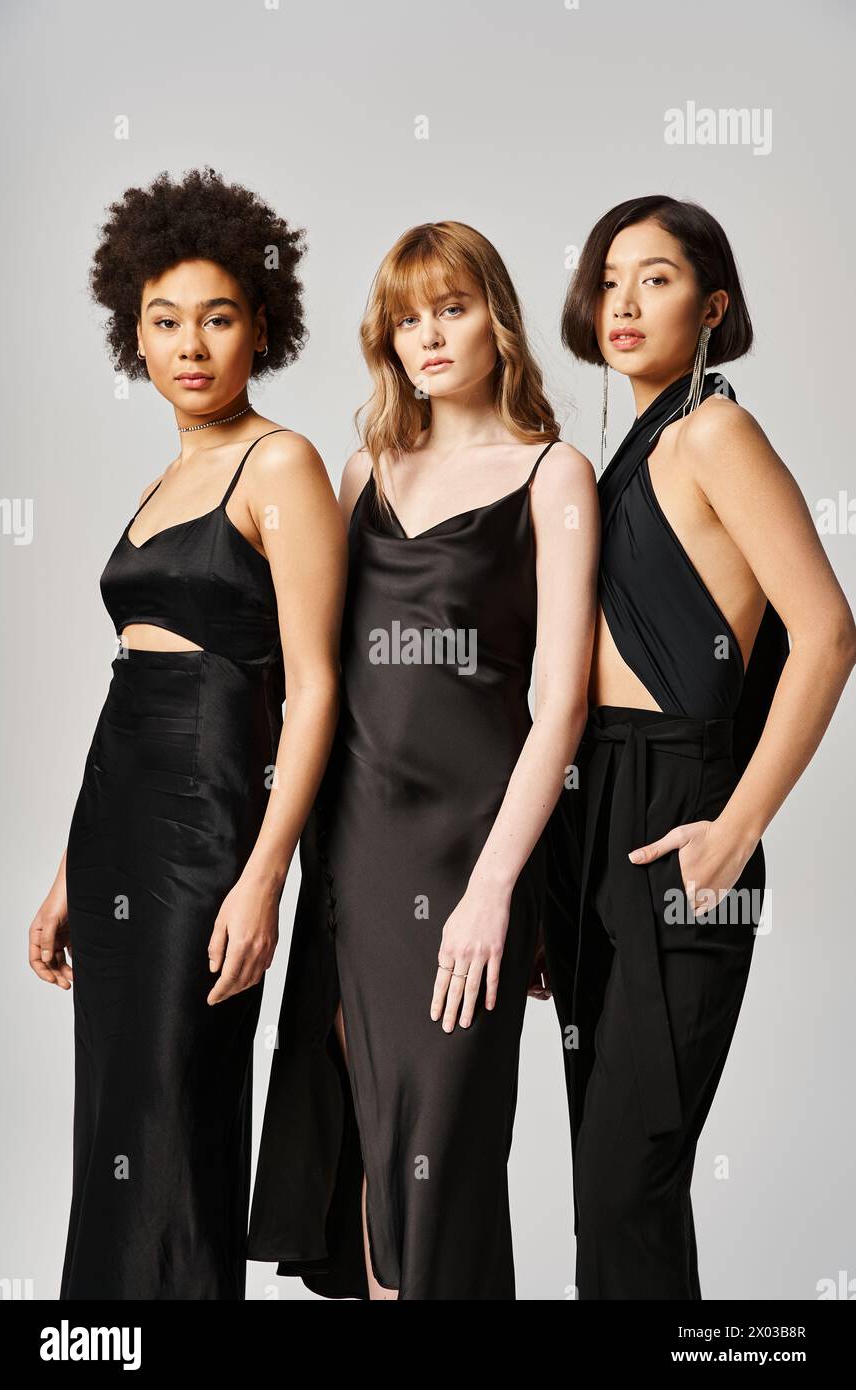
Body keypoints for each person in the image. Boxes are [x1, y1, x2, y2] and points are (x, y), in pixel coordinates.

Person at [247, 220, 598, 1299]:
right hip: (352, 849)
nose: (428, 335)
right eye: (406, 319)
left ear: (494, 317)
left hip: (469, 855)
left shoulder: (551, 472)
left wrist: (498, 889)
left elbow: (561, 706)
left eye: (449, 309)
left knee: (443, 1145)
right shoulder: (361, 469)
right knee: (364, 1122)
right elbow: (311, 671)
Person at [28, 166, 346, 1299]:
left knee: (176, 1101)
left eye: (217, 317)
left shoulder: (282, 463)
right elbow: (126, 692)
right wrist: (70, 867)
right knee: (115, 1108)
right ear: (134, 335)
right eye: (164, 321)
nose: (191, 344)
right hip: (116, 827)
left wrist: (264, 878)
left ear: (261, 325)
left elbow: (313, 689)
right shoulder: (170, 474)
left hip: (211, 828)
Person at [542, 194, 856, 1299]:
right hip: (594, 816)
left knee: (626, 1179)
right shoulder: (626, 448)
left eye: (658, 278)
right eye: (608, 278)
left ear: (713, 305)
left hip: (682, 808)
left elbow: (826, 631)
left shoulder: (714, 430)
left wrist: (738, 826)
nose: (622, 301)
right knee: (604, 1186)